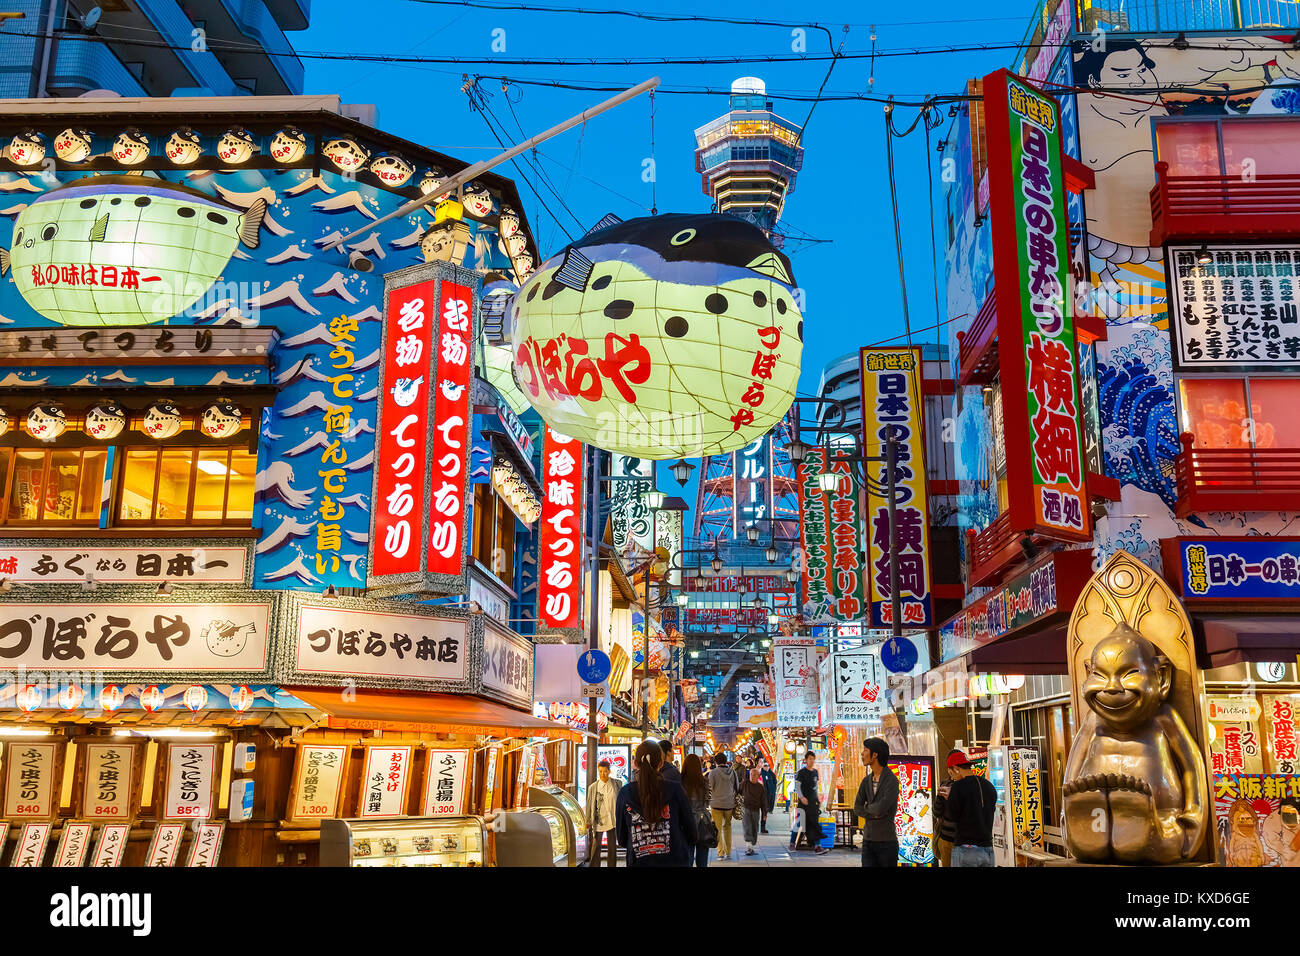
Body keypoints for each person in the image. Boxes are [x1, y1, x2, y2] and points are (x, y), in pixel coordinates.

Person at [615, 740, 697, 867]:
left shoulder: (625, 793)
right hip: (674, 860)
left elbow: (622, 838)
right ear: (660, 763)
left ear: (636, 763)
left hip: (639, 861)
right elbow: (692, 831)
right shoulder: (675, 789)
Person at [945, 750, 998, 867]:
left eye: (950, 772)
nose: (951, 777)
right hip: (987, 848)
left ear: (955, 768)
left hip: (966, 848)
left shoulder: (958, 787)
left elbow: (951, 816)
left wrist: (949, 799)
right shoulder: (989, 786)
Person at [853, 737, 900, 867]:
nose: (862, 754)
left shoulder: (892, 780)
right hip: (868, 841)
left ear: (875, 755)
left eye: (865, 750)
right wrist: (874, 812)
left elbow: (882, 808)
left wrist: (868, 808)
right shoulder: (866, 781)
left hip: (887, 842)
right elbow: (857, 807)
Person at [932, 748, 965, 867]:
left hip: (957, 841)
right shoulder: (946, 784)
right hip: (952, 841)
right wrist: (940, 797)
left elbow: (937, 812)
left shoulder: (967, 784)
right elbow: (936, 812)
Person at [792, 751, 829, 855]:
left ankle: (817, 846)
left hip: (813, 803)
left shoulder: (815, 772)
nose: (811, 761)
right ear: (806, 760)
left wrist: (818, 799)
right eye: (810, 759)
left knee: (814, 824)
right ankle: (792, 843)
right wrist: (801, 797)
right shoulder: (801, 772)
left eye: (813, 759)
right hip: (803, 803)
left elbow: (815, 787)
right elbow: (798, 787)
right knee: (799, 823)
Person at [681, 753, 713, 868]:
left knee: (687, 855)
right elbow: (708, 800)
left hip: (686, 822)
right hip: (703, 821)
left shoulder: (680, 782)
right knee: (702, 857)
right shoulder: (704, 781)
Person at [587, 758, 620, 867]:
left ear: (609, 771)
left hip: (612, 818)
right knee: (596, 846)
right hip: (599, 820)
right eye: (600, 771)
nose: (602, 774)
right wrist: (588, 820)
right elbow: (589, 805)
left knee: (612, 847)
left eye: (605, 771)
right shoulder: (593, 787)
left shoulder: (617, 784)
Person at [706, 752, 738, 860]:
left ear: (716, 762)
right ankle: (728, 852)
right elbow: (737, 787)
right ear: (726, 761)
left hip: (716, 805)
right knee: (728, 827)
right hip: (729, 804)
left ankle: (720, 853)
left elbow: (710, 789)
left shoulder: (713, 773)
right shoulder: (733, 772)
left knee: (718, 829)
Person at [740, 765, 767, 856]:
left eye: (755, 775)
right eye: (751, 774)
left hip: (756, 810)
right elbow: (737, 793)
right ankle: (749, 847)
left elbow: (764, 801)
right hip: (746, 808)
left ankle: (752, 844)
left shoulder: (760, 787)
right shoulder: (744, 784)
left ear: (758, 776)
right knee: (747, 827)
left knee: (755, 828)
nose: (752, 776)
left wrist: (764, 813)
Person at [759, 759, 777, 834]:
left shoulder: (771, 774)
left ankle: (763, 827)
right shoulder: (760, 773)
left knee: (764, 813)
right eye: (765, 766)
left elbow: (775, 782)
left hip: (769, 795)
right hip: (760, 796)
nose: (766, 767)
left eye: (767, 766)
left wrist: (773, 791)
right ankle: (754, 827)